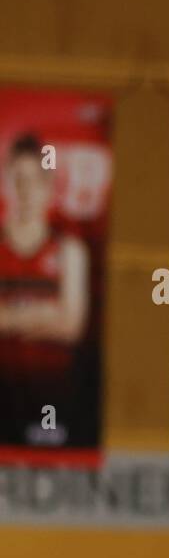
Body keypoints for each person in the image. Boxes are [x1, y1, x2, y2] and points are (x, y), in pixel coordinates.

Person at [0, 132, 92, 451]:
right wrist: (45, 314)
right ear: (5, 184)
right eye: (17, 180)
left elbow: (70, 327)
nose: (26, 191)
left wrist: (10, 317)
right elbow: (59, 319)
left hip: (52, 401)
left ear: (49, 188)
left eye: (35, 181)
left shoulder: (70, 251)